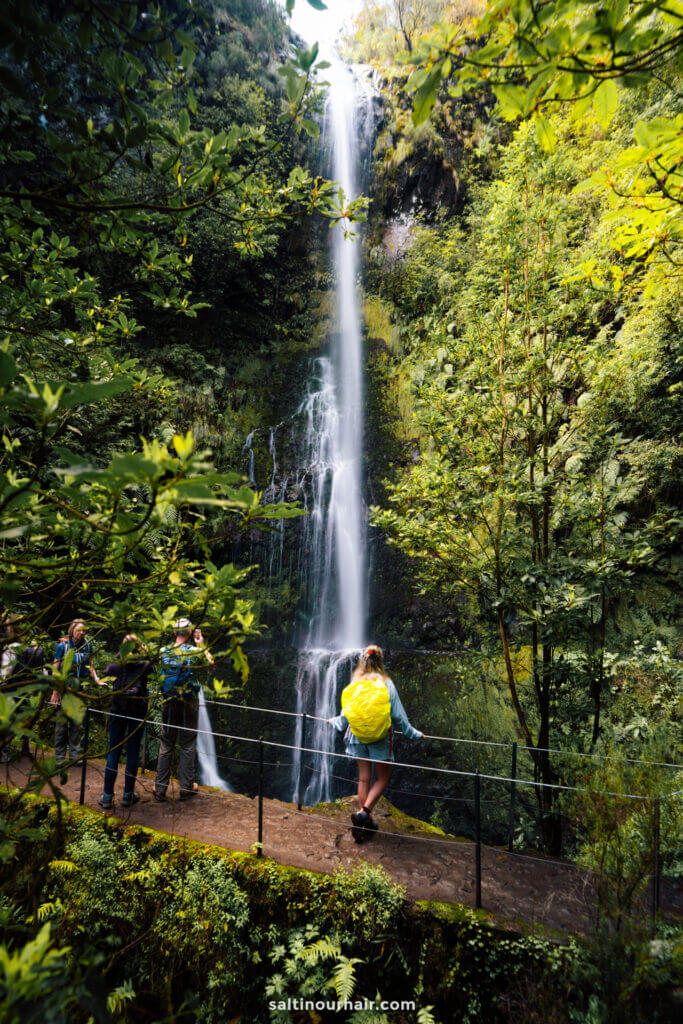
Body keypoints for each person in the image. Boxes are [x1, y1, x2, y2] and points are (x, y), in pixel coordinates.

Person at [328, 644, 423, 843]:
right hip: (379, 737)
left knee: (364, 779)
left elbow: (345, 714)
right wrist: (413, 734)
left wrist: (334, 722)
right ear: (380, 662)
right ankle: (364, 813)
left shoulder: (356, 683)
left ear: (362, 662)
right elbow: (398, 716)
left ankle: (365, 822)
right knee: (382, 778)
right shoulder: (386, 684)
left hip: (357, 736)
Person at [154, 618, 214, 803]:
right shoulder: (195, 652)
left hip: (169, 702)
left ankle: (160, 789)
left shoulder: (163, 651)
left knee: (166, 744)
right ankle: (186, 788)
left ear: (174, 633)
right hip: (189, 703)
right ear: (189, 633)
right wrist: (201, 644)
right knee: (187, 745)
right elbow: (211, 665)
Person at [98, 634, 153, 810]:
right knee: (132, 752)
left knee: (113, 751)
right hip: (137, 711)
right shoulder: (143, 664)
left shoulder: (117, 663)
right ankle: (128, 795)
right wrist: (145, 652)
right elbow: (152, 668)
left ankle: (107, 797)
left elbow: (107, 671)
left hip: (118, 709)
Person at [51, 619, 103, 774]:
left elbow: (90, 666)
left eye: (84, 630)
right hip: (65, 691)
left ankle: (75, 756)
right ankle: (60, 757)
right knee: (61, 726)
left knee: (77, 725)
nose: (82, 633)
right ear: (72, 629)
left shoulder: (88, 645)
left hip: (80, 691)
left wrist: (97, 679)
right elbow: (55, 669)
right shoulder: (63, 646)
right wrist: (55, 692)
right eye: (79, 630)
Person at [0, 614, 45, 761]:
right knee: (24, 718)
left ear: (12, 628)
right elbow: (42, 670)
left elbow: (5, 674)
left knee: (6, 720)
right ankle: (25, 747)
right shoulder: (32, 645)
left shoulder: (12, 648)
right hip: (26, 690)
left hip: (11, 691)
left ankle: (4, 751)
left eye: (7, 626)